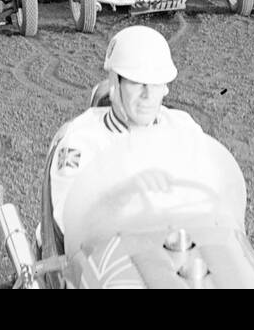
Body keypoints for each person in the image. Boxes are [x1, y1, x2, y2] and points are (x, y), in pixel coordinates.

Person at [45, 25, 206, 248]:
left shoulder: (183, 128)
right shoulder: (82, 141)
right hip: (105, 261)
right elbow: (69, 222)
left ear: (166, 88)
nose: (147, 95)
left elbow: (212, 194)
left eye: (155, 83)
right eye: (137, 83)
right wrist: (121, 196)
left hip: (176, 251)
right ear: (115, 83)